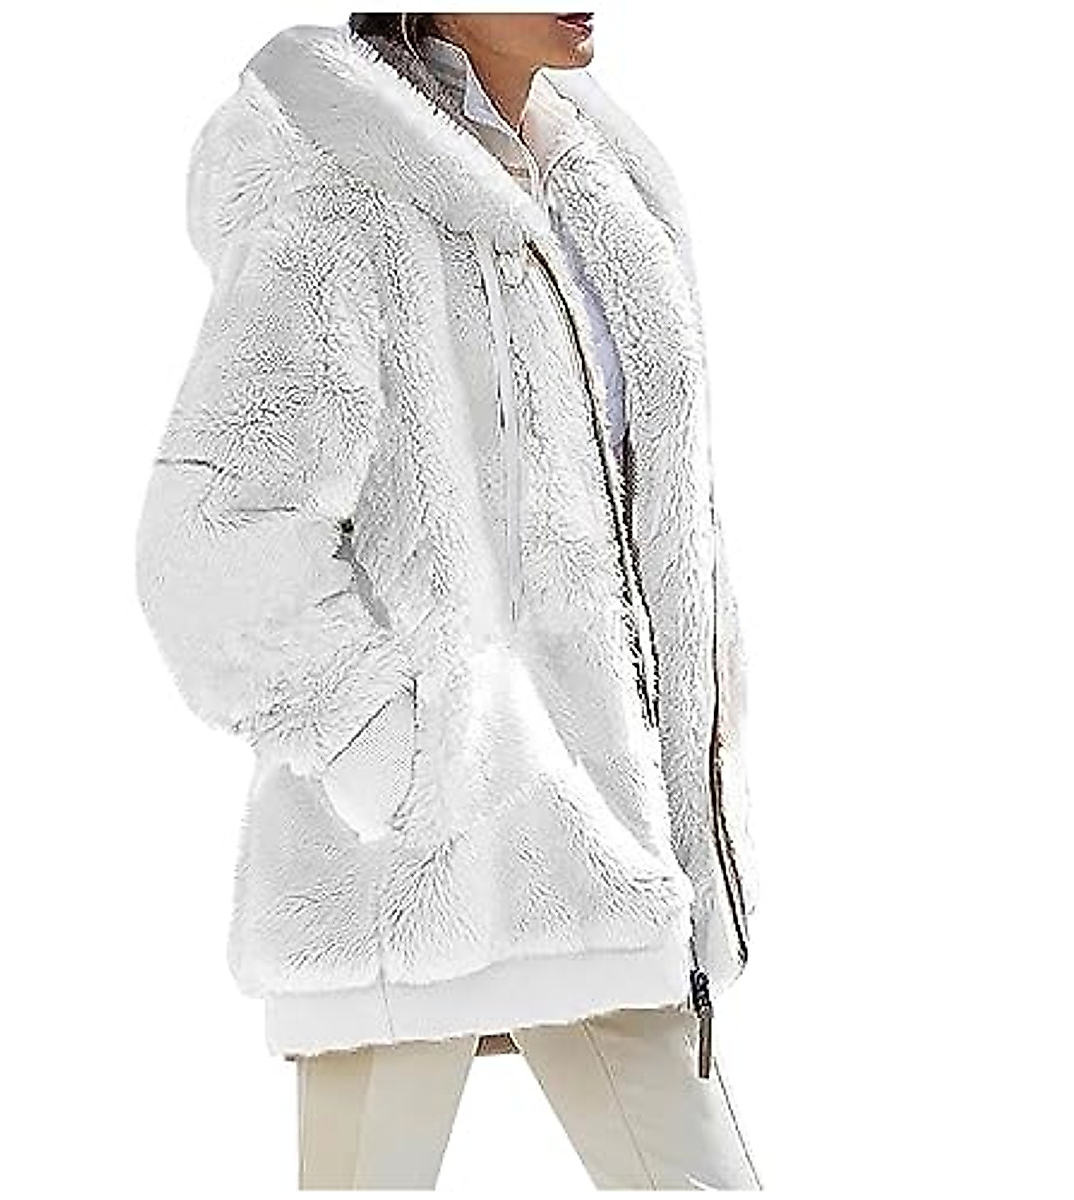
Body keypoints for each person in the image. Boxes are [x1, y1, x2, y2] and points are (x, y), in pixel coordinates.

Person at [134, 11, 762, 1190]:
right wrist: (413, 762)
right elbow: (212, 537)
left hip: (606, 848)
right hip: (410, 872)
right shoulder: (339, 180)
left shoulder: (599, 187)